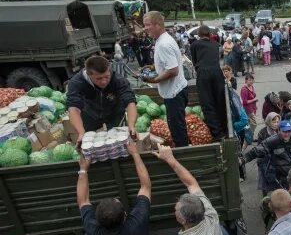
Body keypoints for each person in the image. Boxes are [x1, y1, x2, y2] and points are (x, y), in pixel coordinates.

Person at [67, 55, 137, 145]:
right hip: (90, 113)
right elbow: (73, 108)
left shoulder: (117, 79)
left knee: (119, 141)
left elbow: (130, 102)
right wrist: (81, 132)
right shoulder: (77, 83)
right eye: (99, 78)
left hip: (114, 112)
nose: (104, 81)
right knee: (89, 141)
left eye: (106, 77)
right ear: (88, 75)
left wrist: (131, 125)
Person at [143, 11, 189, 147]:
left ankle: (183, 155)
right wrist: (152, 67)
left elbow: (173, 70)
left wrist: (155, 79)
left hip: (174, 94)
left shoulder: (163, 44)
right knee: (178, 126)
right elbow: (168, 63)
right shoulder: (163, 39)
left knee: (177, 129)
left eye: (147, 25)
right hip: (178, 90)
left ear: (158, 25)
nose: (145, 28)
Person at [244, 120, 291, 192]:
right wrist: (244, 159)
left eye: (289, 131)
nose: (287, 134)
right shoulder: (272, 141)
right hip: (279, 176)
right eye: (284, 131)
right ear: (279, 130)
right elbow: (257, 150)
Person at [191, 25, 227, 141]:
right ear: (209, 34)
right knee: (220, 101)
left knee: (207, 103)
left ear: (199, 34)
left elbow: (195, 61)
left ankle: (217, 133)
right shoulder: (216, 45)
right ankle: (224, 128)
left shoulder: (194, 45)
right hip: (217, 72)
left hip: (203, 73)